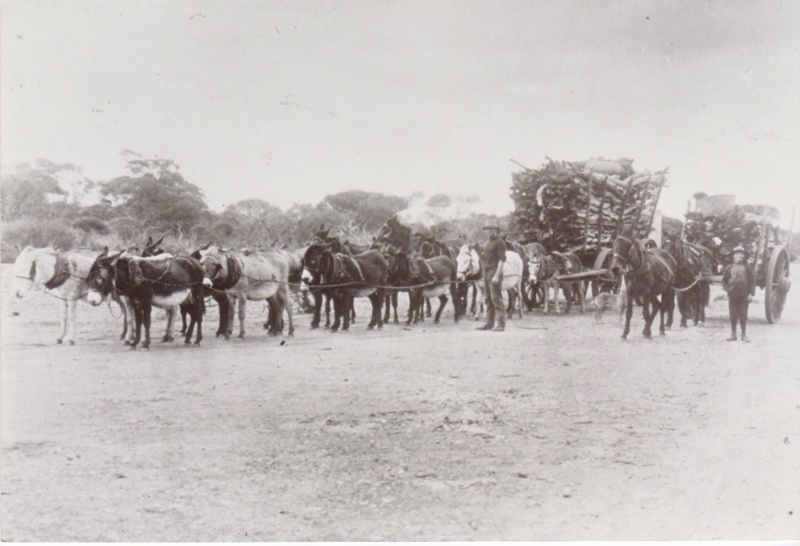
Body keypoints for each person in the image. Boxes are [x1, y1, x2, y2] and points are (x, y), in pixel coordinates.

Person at [721, 245, 755, 342]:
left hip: (744, 294)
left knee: (743, 314)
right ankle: (733, 334)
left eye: (741, 254)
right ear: (733, 256)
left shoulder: (748, 268)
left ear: (744, 256)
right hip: (733, 294)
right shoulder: (729, 268)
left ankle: (744, 334)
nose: (739, 256)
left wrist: (751, 294)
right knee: (733, 314)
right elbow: (724, 280)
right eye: (737, 254)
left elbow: (752, 281)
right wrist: (727, 289)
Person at [477, 221, 506, 332]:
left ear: (496, 230)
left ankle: (501, 324)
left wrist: (497, 276)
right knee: (487, 299)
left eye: (491, 229)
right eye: (487, 229)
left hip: (494, 273)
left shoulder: (500, 242)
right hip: (486, 273)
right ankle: (489, 324)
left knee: (496, 299)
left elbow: (502, 260)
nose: (488, 231)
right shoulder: (487, 242)